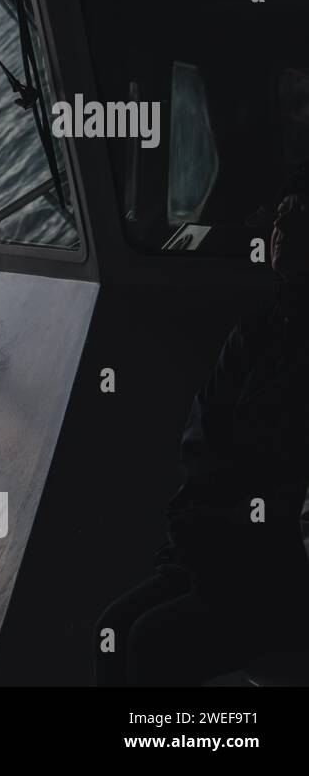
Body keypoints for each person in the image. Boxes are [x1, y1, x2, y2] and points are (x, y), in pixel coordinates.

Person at [95, 165, 309, 685]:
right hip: (219, 556)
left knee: (152, 644)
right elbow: (204, 439)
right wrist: (198, 537)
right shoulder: (259, 328)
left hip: (278, 576)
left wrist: (232, 537)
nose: (282, 233)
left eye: (299, 220)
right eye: (280, 219)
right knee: (114, 630)